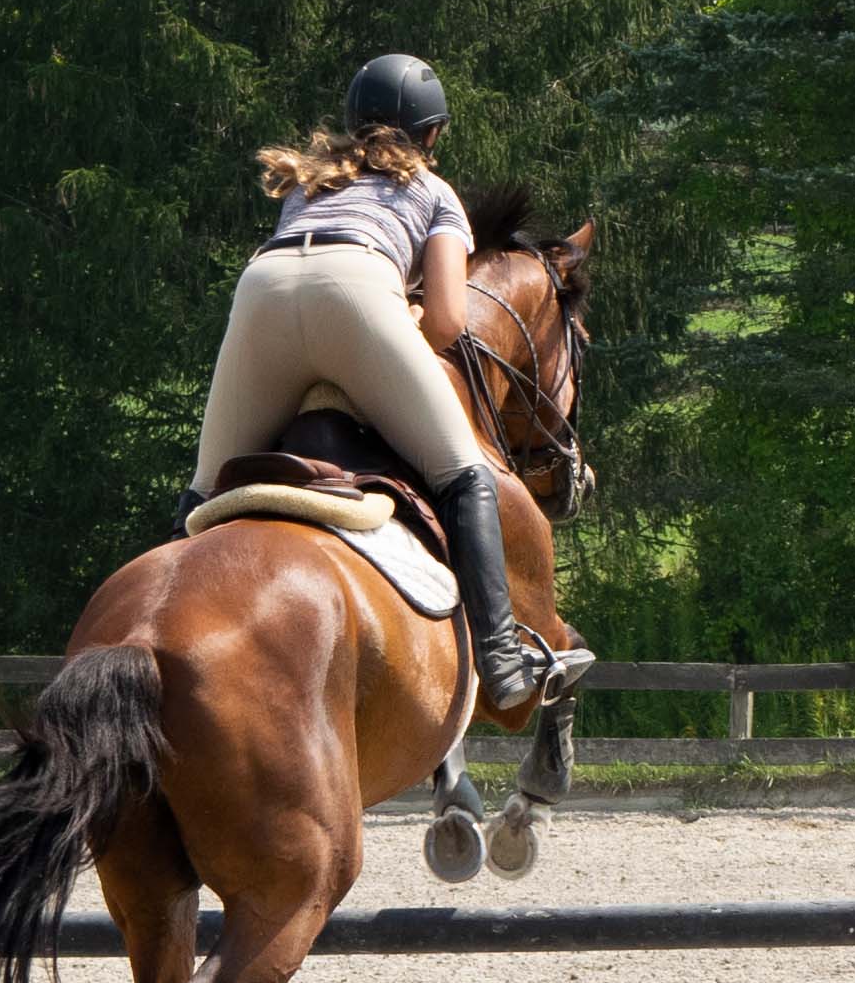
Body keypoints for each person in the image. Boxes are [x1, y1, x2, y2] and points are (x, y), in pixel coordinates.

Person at [191, 54, 587, 721]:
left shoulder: (307, 187)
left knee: (205, 491)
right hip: (354, 295)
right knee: (466, 475)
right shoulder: (434, 194)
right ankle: (501, 660)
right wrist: (386, 336)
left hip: (260, 292)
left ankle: (173, 638)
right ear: (432, 134)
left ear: (352, 124)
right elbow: (448, 321)